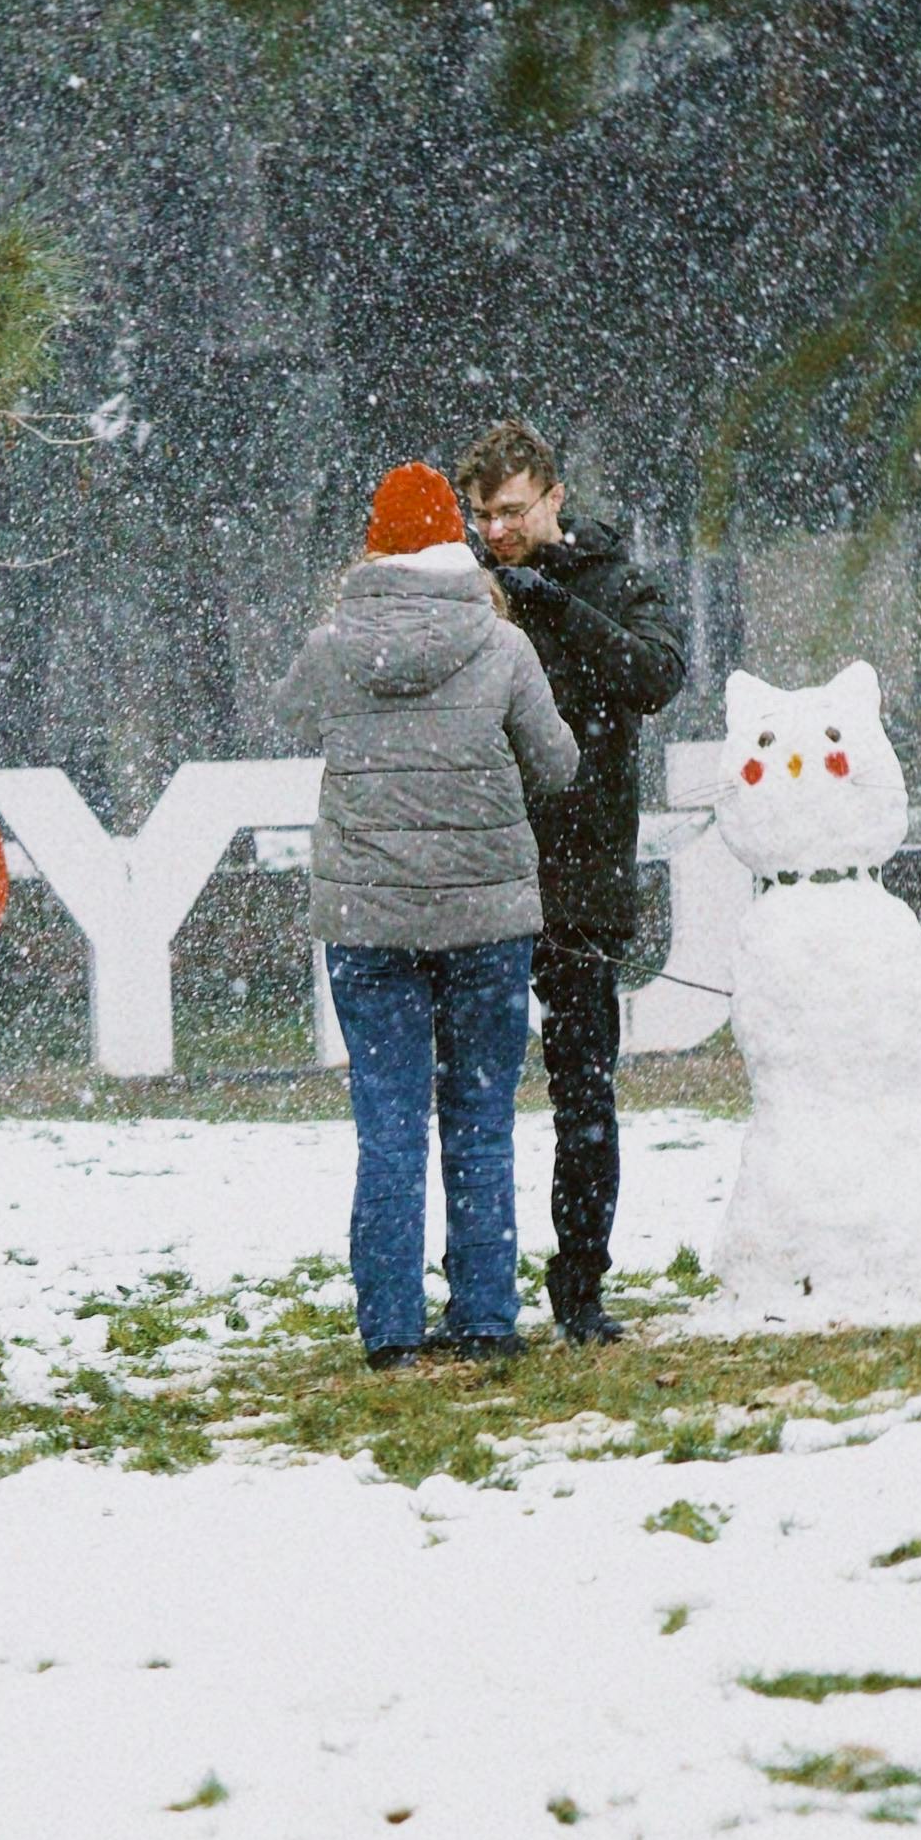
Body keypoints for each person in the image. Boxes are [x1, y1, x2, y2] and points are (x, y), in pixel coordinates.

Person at [275, 461, 579, 1366]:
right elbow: (557, 764)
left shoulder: (334, 645)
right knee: (480, 1120)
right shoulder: (501, 644)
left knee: (389, 1128)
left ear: (373, 546)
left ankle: (390, 1336)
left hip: (368, 923)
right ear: (456, 541)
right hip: (486, 918)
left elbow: (289, 717)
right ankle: (486, 1321)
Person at [457, 420, 688, 1344]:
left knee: (583, 1096)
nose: (497, 530)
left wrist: (550, 604)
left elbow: (655, 674)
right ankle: (474, 1289)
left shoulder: (618, 580)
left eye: (512, 512)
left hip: (582, 878)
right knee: (469, 1093)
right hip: (478, 870)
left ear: (554, 497)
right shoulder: (469, 585)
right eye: (484, 516)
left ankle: (579, 1286)